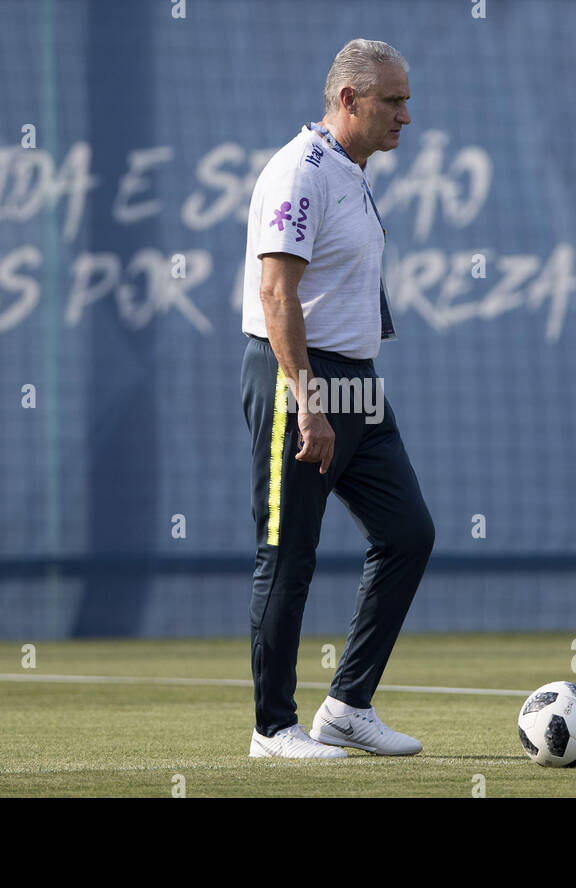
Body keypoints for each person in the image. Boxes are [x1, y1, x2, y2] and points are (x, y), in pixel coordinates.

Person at [240, 38, 434, 759]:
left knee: (409, 533)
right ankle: (272, 729)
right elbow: (275, 292)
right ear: (347, 101)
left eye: (407, 99)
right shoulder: (301, 172)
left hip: (358, 384)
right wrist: (308, 400)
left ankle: (347, 704)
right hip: (303, 380)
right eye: (392, 100)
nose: (406, 115)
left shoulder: (352, 171)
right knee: (288, 554)